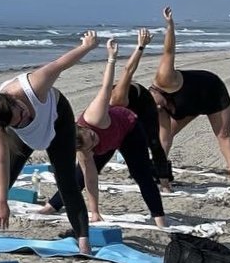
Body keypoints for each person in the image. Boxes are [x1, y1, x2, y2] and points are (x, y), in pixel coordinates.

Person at [0, 32, 97, 256]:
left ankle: (83, 240)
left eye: (22, 113)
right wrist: (2, 202)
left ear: (14, 100)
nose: (25, 118)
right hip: (27, 137)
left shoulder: (33, 84)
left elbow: (61, 64)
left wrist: (87, 46)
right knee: (8, 174)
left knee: (66, 179)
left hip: (57, 119)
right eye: (18, 122)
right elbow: (0, 162)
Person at [45, 37, 168, 228]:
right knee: (80, 176)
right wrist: (94, 212)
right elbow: (91, 179)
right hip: (108, 141)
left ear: (86, 129)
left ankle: (159, 218)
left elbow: (106, 85)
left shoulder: (95, 115)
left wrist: (111, 57)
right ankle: (52, 206)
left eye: (92, 138)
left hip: (129, 129)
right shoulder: (83, 149)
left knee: (141, 173)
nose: (94, 142)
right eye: (90, 146)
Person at [151, 7, 230, 178]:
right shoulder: (159, 109)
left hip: (211, 91)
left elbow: (169, 51)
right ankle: (158, 169)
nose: (157, 108)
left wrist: (170, 25)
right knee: (165, 135)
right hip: (188, 105)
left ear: (153, 92)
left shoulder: (164, 78)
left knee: (223, 134)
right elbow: (164, 140)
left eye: (155, 104)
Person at [112, 27, 174, 190]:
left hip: (144, 103)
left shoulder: (120, 95)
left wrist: (140, 46)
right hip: (120, 109)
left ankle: (164, 181)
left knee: (153, 142)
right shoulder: (103, 104)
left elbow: (128, 69)